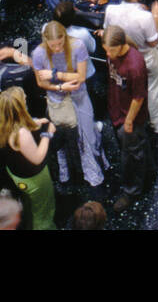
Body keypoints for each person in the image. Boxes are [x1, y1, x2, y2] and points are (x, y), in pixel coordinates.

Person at [32, 20, 105, 188]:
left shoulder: (77, 46)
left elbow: (80, 77)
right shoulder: (38, 53)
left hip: (78, 96)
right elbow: (40, 82)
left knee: (87, 135)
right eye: (53, 45)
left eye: (60, 44)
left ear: (65, 37)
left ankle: (93, 172)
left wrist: (54, 74)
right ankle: (68, 175)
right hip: (57, 100)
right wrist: (60, 85)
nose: (57, 48)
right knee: (62, 140)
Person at [101, 25, 154, 212]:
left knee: (130, 155)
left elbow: (138, 97)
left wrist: (129, 121)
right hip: (117, 107)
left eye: (110, 50)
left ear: (122, 45)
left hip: (129, 117)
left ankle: (132, 191)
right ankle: (149, 170)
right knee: (138, 145)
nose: (107, 53)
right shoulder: (113, 53)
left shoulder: (135, 65)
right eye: (105, 49)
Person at [0, 86, 57, 230]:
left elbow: (19, 125)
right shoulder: (21, 134)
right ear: (19, 107)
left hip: (17, 175)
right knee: (43, 210)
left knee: (29, 203)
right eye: (24, 100)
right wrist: (48, 134)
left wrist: (34, 123)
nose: (26, 101)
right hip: (35, 179)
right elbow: (38, 158)